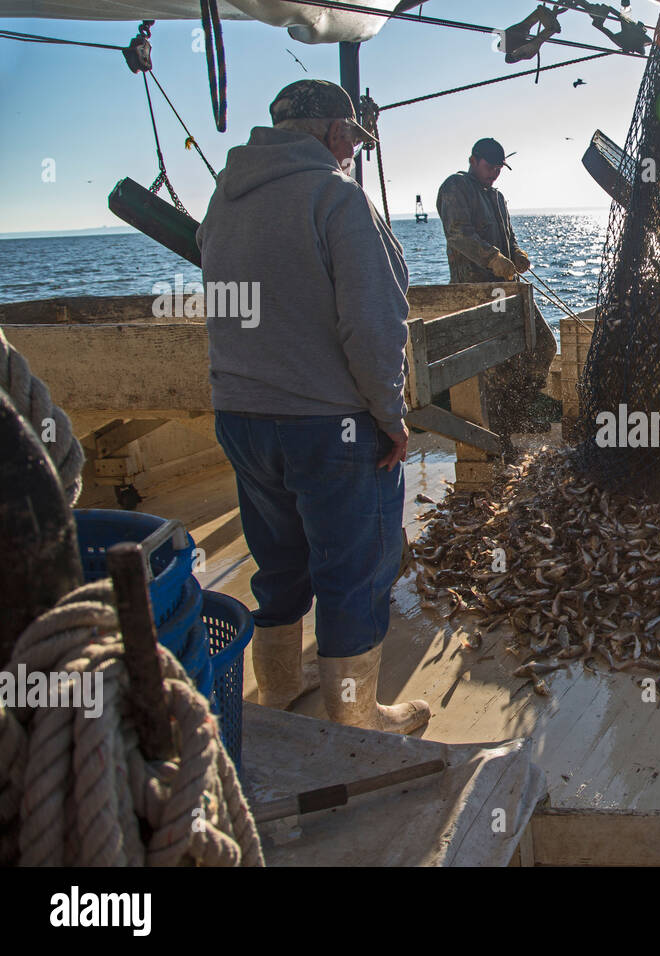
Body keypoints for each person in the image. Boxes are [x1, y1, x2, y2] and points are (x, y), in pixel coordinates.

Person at [197, 79, 430, 736]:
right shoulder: (337, 196)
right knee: (354, 568)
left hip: (240, 418)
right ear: (335, 133)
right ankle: (356, 718)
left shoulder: (224, 198)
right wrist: (390, 414)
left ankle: (277, 684)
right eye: (352, 139)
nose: (353, 151)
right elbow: (374, 326)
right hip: (330, 427)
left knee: (279, 557)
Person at [436, 138, 557, 445]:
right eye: (489, 167)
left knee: (544, 344)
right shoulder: (455, 187)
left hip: (508, 290)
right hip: (477, 295)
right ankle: (499, 436)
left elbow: (509, 238)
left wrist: (517, 255)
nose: (494, 174)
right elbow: (458, 234)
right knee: (493, 366)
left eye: (499, 169)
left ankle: (518, 412)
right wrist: (492, 259)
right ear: (473, 160)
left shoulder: (498, 198)